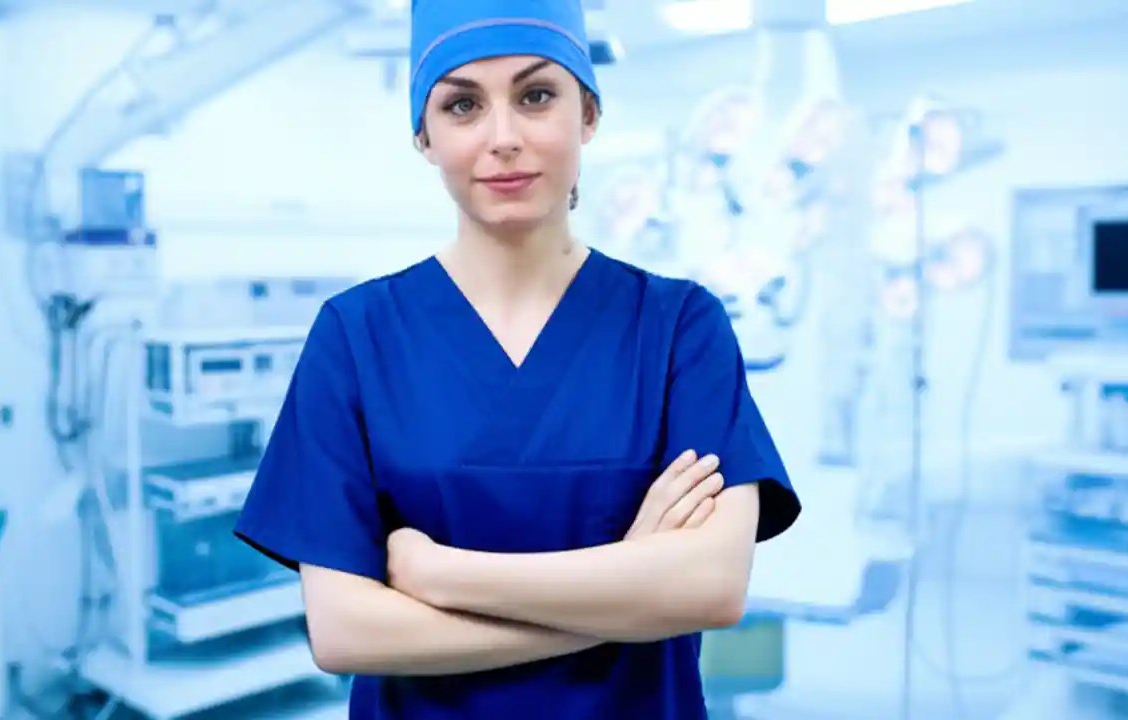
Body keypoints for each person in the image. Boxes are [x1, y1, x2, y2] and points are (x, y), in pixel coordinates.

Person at [233, 1, 802, 717]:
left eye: (536, 96)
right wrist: (627, 595)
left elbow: (710, 588)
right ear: (424, 135)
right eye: (462, 104)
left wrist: (443, 574)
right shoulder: (356, 335)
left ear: (588, 115)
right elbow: (345, 632)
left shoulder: (678, 326)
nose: (503, 138)